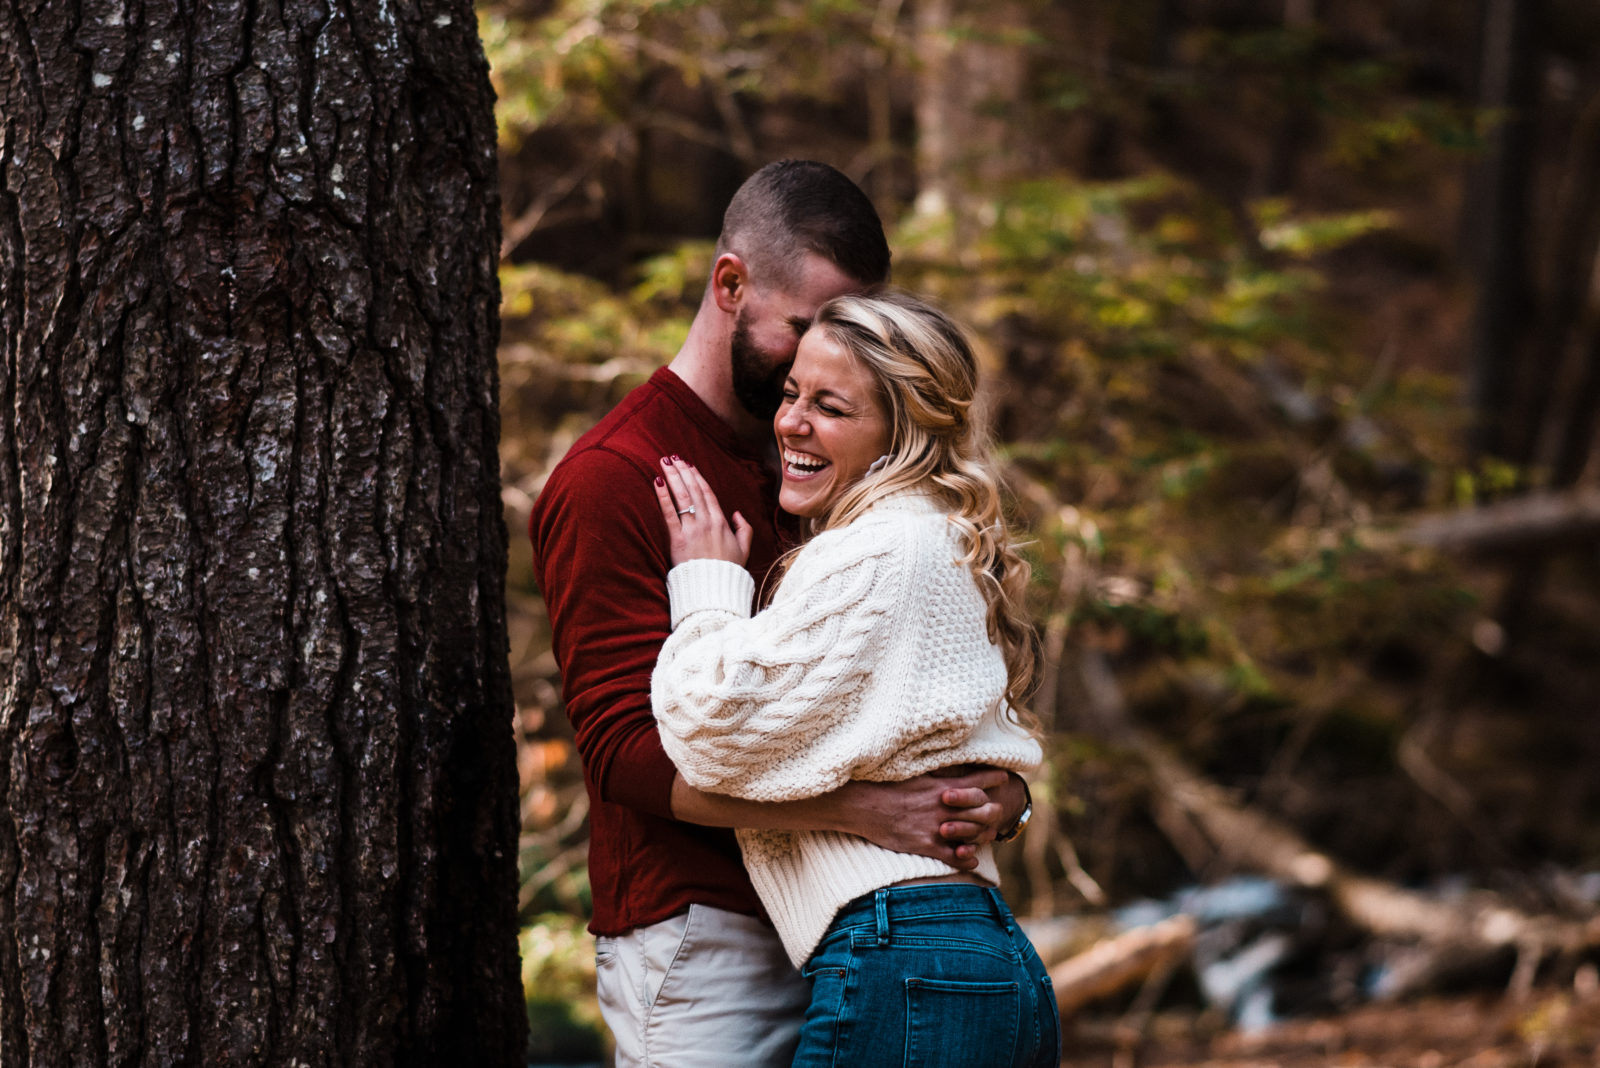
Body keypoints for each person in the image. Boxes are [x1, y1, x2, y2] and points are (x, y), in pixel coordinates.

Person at [528, 160, 1030, 1068]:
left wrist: (999, 794)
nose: (819, 359)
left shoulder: (840, 469)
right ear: (730, 285)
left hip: (850, 930)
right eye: (805, 328)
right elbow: (624, 755)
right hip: (703, 932)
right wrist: (863, 813)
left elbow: (915, 686)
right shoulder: (614, 477)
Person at [650, 289, 1061, 1068]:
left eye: (831, 407)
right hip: (976, 960)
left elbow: (708, 734)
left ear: (902, 433)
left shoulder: (877, 551)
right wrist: (1012, 801)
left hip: (905, 960)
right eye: (791, 394)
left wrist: (706, 584)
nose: (791, 423)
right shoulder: (942, 539)